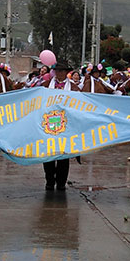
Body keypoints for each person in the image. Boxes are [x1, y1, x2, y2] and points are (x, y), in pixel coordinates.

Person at [41, 61, 76, 189]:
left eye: (62, 71)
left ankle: (61, 182)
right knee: (48, 154)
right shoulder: (45, 86)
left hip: (66, 126)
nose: (60, 73)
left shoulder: (73, 88)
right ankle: (49, 180)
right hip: (48, 124)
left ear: (67, 73)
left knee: (63, 155)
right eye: (58, 71)